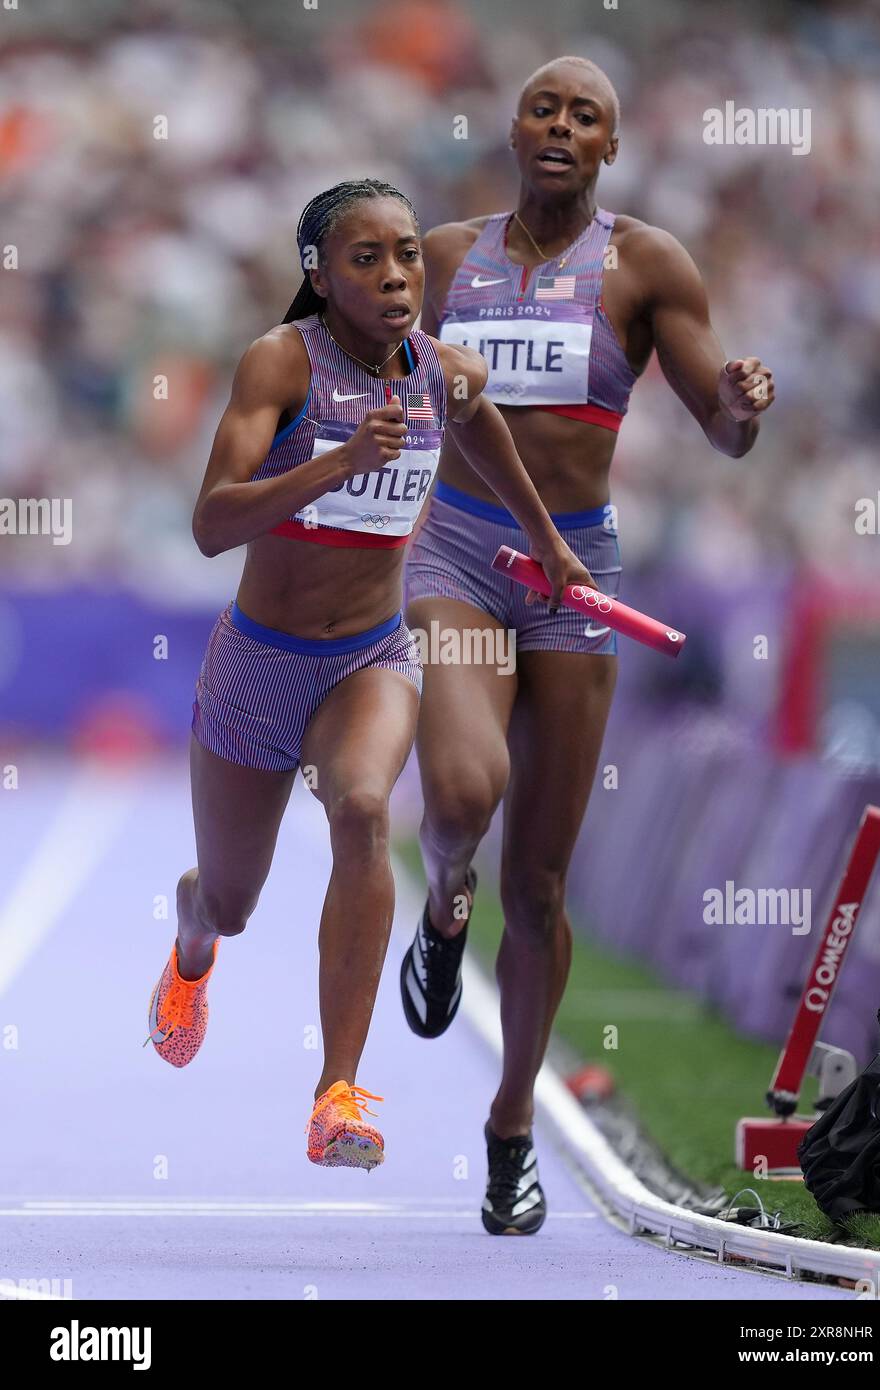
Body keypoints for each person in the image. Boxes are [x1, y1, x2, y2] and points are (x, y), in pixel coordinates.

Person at [144, 178, 592, 1173]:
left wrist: (548, 543)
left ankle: (334, 1092)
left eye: (406, 256)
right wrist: (333, 465)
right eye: (365, 258)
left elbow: (488, 433)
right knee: (233, 899)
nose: (394, 276)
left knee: (359, 809)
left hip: (370, 657)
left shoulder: (443, 373)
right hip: (261, 662)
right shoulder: (279, 363)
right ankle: (193, 933)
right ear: (319, 273)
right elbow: (213, 522)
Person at [402, 57, 776, 1231]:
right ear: (511, 128)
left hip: (577, 579)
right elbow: (351, 365)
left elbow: (719, 424)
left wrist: (741, 404)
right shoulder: (444, 258)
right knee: (463, 794)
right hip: (459, 559)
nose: (562, 126)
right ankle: (442, 895)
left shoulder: (645, 264)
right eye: (544, 109)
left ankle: (511, 1120)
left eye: (587, 117)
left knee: (544, 879)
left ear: (609, 148)